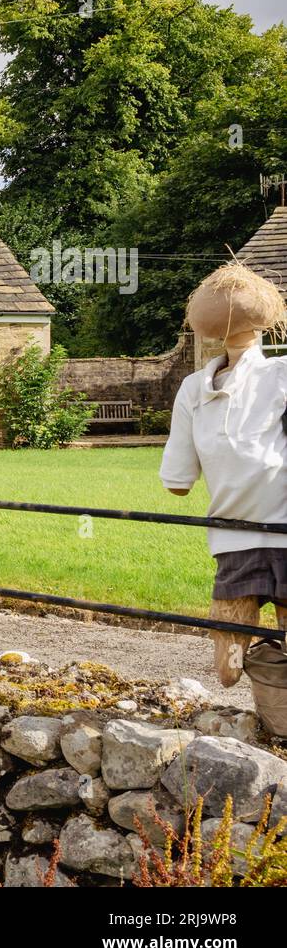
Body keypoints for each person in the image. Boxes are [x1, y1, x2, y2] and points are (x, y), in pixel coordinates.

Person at [161, 261, 287, 689]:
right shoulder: (195, 388)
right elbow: (177, 482)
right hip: (236, 539)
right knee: (227, 668)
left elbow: (178, 482)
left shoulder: (281, 374)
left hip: (261, 534)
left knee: (229, 663)